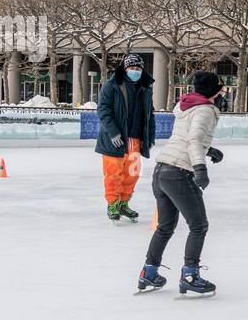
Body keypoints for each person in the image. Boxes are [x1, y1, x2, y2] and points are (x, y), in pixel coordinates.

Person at [137, 72, 226, 296]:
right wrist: (200, 168)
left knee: (165, 227)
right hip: (178, 172)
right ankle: (190, 275)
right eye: (221, 88)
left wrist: (209, 150)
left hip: (161, 171)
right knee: (199, 226)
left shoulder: (187, 106)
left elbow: (185, 137)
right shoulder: (205, 110)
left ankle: (148, 272)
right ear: (215, 90)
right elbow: (193, 139)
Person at [95, 52, 156, 223]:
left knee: (132, 174)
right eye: (131, 67)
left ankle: (123, 203)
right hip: (114, 139)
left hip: (135, 139)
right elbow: (103, 111)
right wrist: (113, 132)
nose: (134, 71)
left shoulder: (145, 87)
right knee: (114, 173)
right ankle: (113, 204)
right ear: (125, 68)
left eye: (138, 68)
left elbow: (150, 115)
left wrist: (150, 137)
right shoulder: (112, 85)